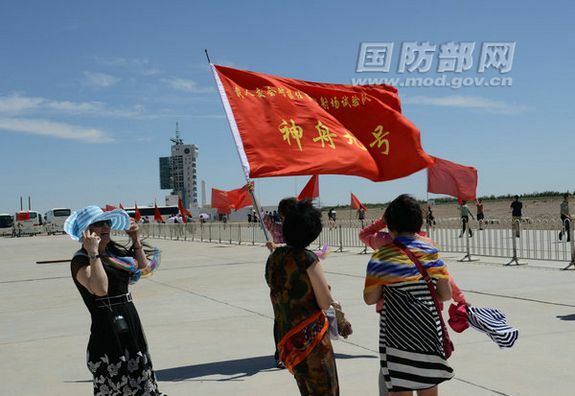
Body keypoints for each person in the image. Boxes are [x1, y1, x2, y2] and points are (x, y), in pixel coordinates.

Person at [64, 206, 163, 396]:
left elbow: (144, 270)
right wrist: (93, 253)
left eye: (107, 223)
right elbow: (100, 290)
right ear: (86, 231)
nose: (105, 227)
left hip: (129, 318)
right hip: (107, 326)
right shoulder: (81, 260)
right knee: (116, 380)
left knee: (140, 378)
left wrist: (135, 239)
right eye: (99, 224)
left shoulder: (113, 253)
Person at [363, 194, 453, 395]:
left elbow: (369, 298)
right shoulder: (431, 251)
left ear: (390, 226)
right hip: (428, 333)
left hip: (396, 336)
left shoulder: (381, 256)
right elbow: (445, 294)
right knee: (428, 387)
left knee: (400, 388)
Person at [265, 200, 339, 395]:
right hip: (311, 341)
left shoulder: (274, 258)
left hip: (288, 341)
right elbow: (324, 301)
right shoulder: (307, 258)